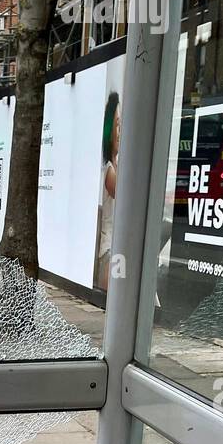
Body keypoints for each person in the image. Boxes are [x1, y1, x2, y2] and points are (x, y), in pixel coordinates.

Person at [97, 90, 120, 292]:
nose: (120, 132)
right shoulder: (110, 172)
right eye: (117, 126)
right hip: (111, 251)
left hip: (112, 249)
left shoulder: (112, 167)